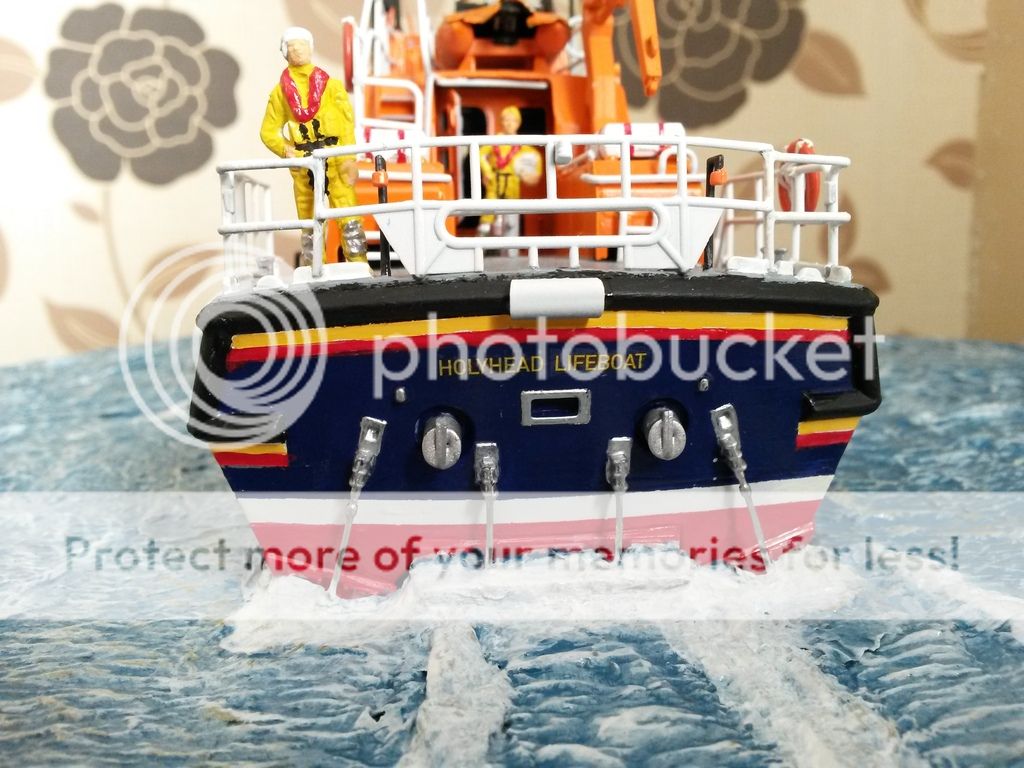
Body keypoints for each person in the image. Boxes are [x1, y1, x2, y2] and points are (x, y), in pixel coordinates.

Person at [260, 27, 366, 263]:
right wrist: (285, 149)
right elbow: (268, 131)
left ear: (310, 48)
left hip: (336, 158)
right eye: (291, 46)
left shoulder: (332, 86)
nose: (297, 50)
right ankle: (314, 265)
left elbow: (347, 124)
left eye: (302, 45)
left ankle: (358, 263)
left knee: (348, 214)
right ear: (284, 52)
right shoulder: (280, 94)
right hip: (304, 163)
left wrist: (350, 159)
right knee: (309, 221)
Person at [478, 106, 541, 241]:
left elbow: (534, 157)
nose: (509, 124)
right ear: (501, 122)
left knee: (512, 219)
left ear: (518, 123)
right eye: (506, 120)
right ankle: (481, 245)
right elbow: (480, 154)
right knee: (487, 215)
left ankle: (512, 248)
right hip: (495, 180)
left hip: (512, 182)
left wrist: (532, 174)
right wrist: (487, 171)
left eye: (513, 120)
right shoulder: (494, 141)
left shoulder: (522, 145)